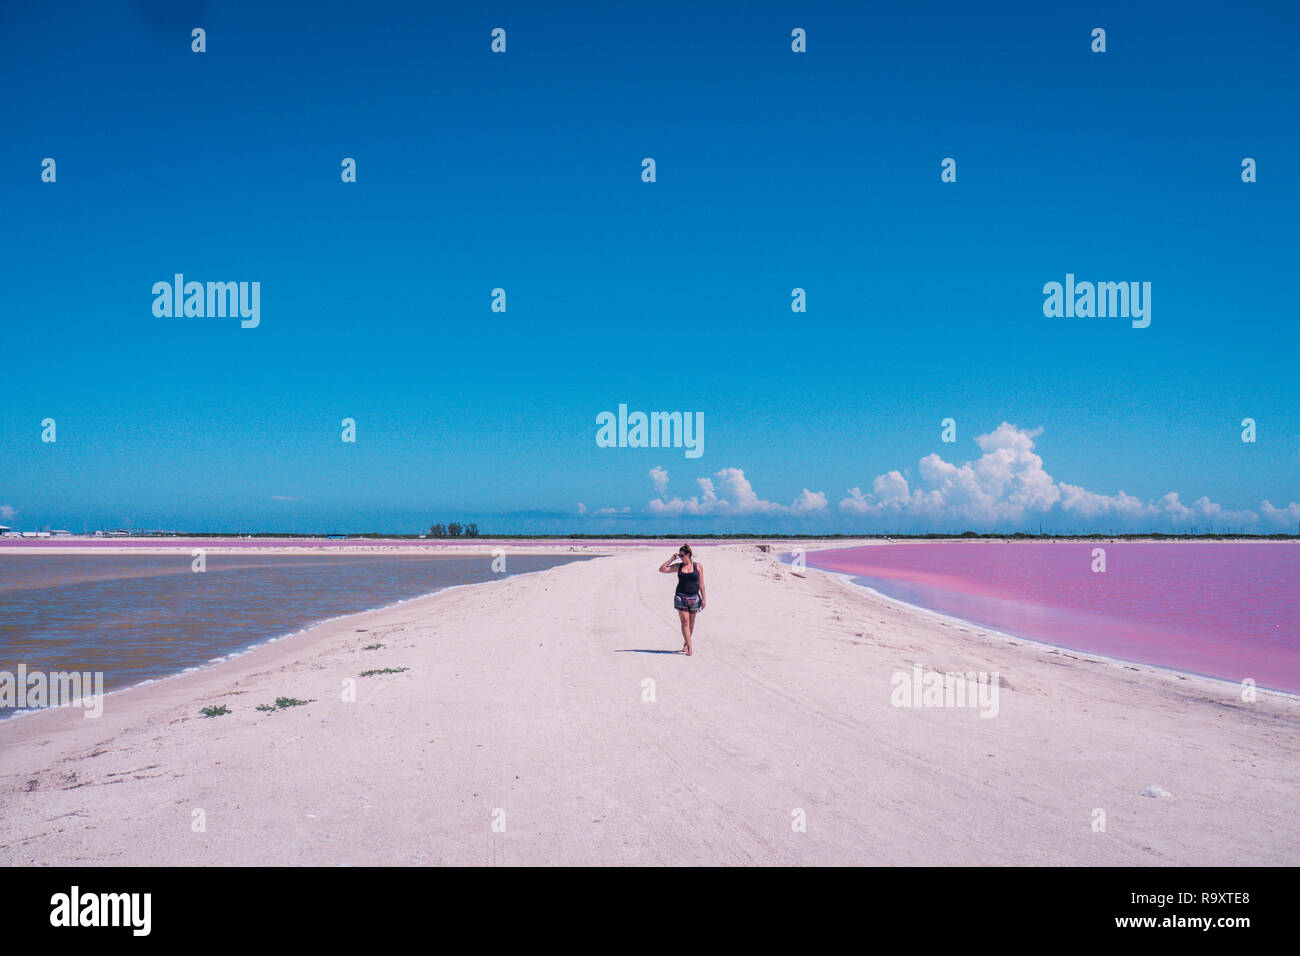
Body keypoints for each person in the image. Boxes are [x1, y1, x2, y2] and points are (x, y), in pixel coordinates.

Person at [658, 543, 705, 655]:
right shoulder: (678, 566)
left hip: (694, 597)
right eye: (679, 555)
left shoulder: (697, 566)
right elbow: (662, 569)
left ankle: (686, 642)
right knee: (685, 622)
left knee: (691, 623)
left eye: (682, 555)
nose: (681, 557)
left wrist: (704, 599)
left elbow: (702, 584)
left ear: (688, 555)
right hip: (681, 597)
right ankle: (690, 647)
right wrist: (671, 559)